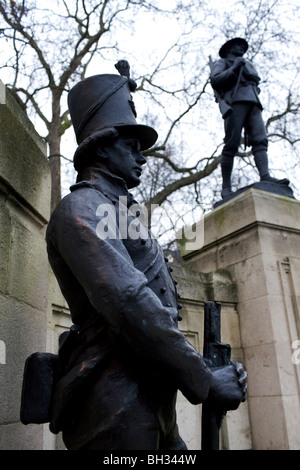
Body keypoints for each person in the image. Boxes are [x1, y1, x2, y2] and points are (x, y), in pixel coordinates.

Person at [46, 61, 247, 450]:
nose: (142, 157)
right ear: (103, 146)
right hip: (114, 401)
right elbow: (127, 301)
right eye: (131, 146)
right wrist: (204, 380)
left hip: (155, 398)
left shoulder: (124, 214)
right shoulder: (81, 209)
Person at [210, 37, 289, 199]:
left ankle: (265, 175)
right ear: (229, 48)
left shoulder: (247, 64)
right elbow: (216, 80)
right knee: (231, 144)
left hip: (253, 101)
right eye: (238, 45)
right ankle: (226, 187)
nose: (242, 47)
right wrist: (234, 69)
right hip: (235, 102)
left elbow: (255, 80)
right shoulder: (223, 62)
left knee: (260, 140)